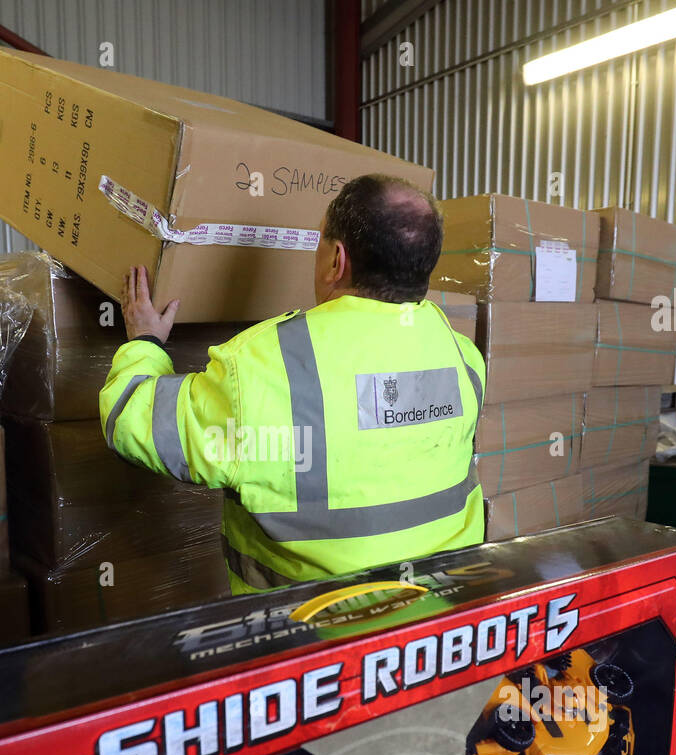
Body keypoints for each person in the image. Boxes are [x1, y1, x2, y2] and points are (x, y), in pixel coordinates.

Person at [99, 173, 486, 594]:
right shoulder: (462, 357)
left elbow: (128, 418)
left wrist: (146, 342)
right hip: (442, 627)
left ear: (337, 260)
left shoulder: (264, 366)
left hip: (312, 638)